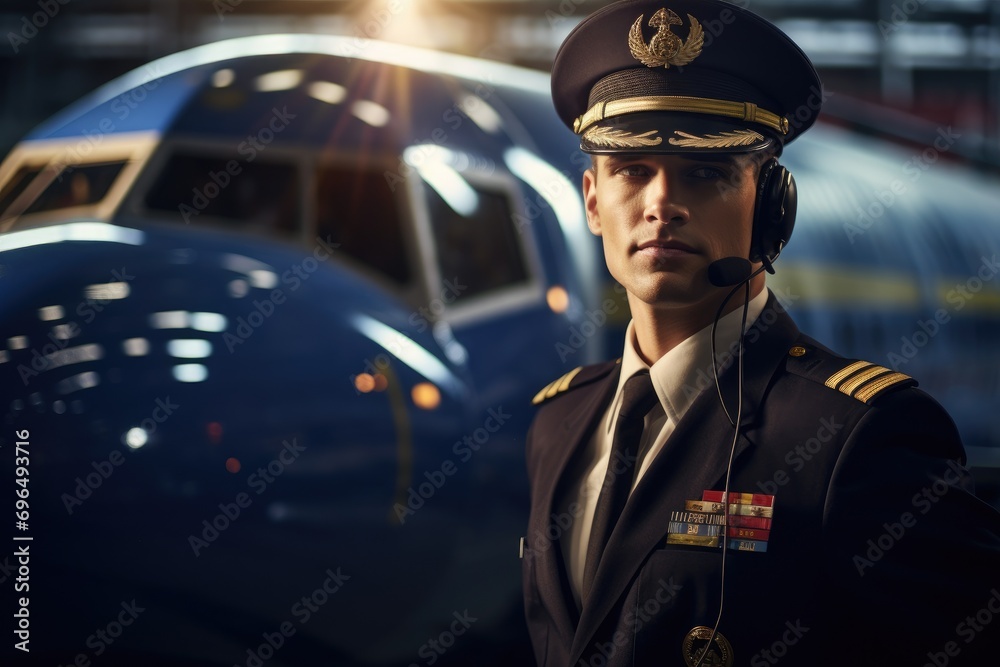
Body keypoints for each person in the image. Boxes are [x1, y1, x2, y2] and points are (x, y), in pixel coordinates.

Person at [520, 1, 1000, 666]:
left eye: (706, 171)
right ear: (593, 201)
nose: (661, 203)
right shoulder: (560, 420)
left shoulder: (859, 436)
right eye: (632, 170)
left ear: (774, 205)